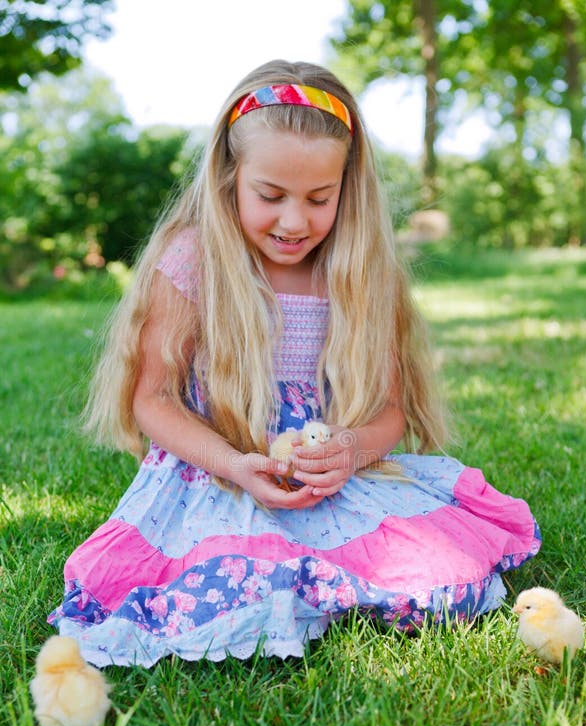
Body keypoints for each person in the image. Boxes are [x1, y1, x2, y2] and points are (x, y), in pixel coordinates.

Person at [48, 60, 541, 668]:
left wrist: (350, 452)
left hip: (329, 478)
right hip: (215, 473)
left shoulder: (359, 271)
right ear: (230, 176)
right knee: (222, 594)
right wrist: (235, 463)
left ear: (346, 187)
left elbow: (389, 410)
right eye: (270, 195)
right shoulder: (193, 260)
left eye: (318, 198)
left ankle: (331, 575)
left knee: (448, 576)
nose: (293, 221)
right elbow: (152, 398)